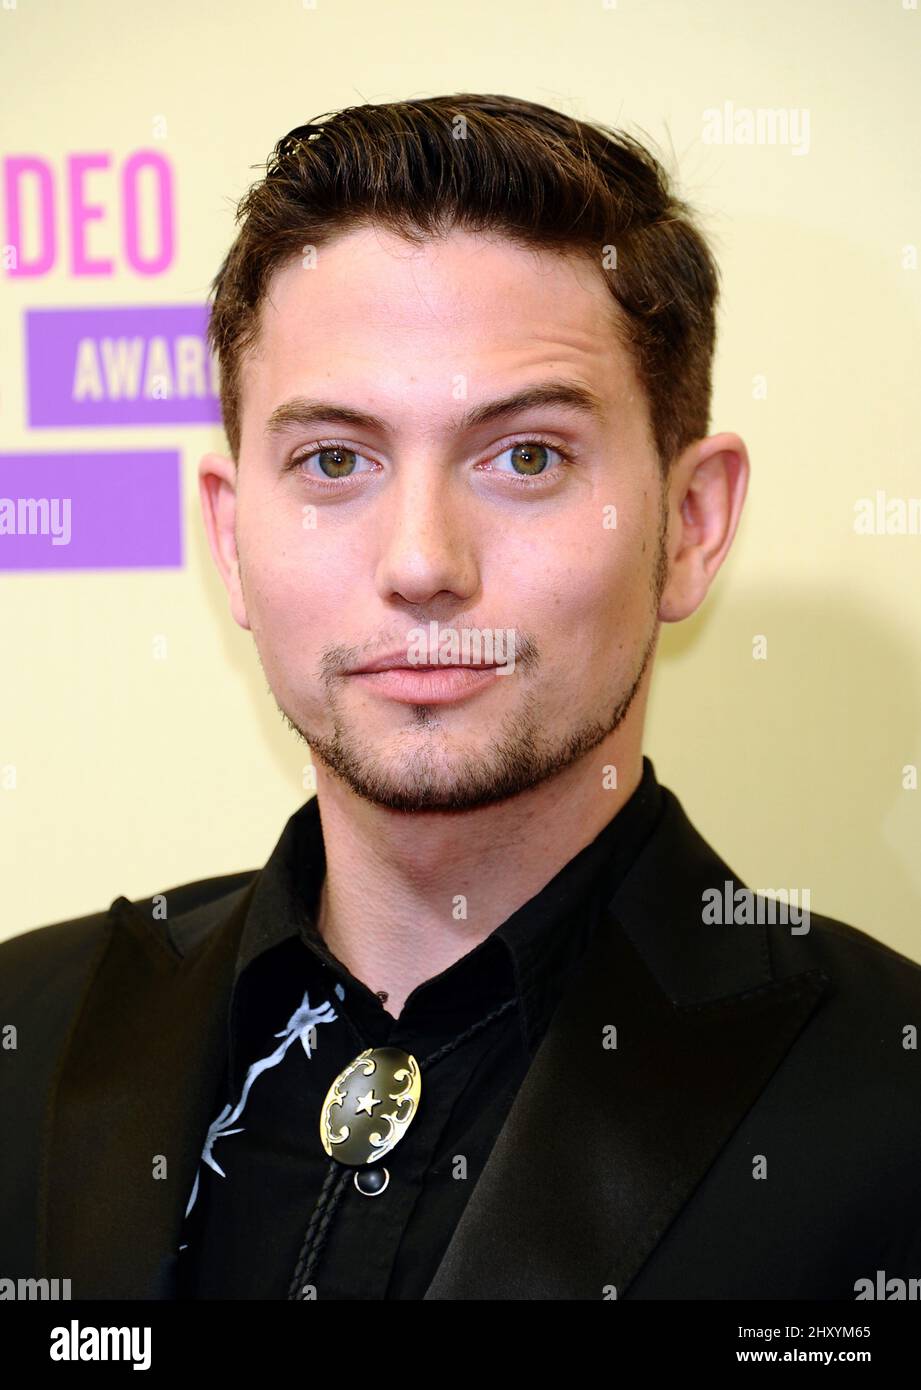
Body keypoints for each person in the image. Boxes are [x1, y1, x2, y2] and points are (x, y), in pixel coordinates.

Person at [2, 93, 920, 1302]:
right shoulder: (28, 1030)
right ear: (230, 539)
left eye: (525, 456)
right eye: (335, 459)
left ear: (690, 525)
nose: (423, 561)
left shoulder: (888, 1108)